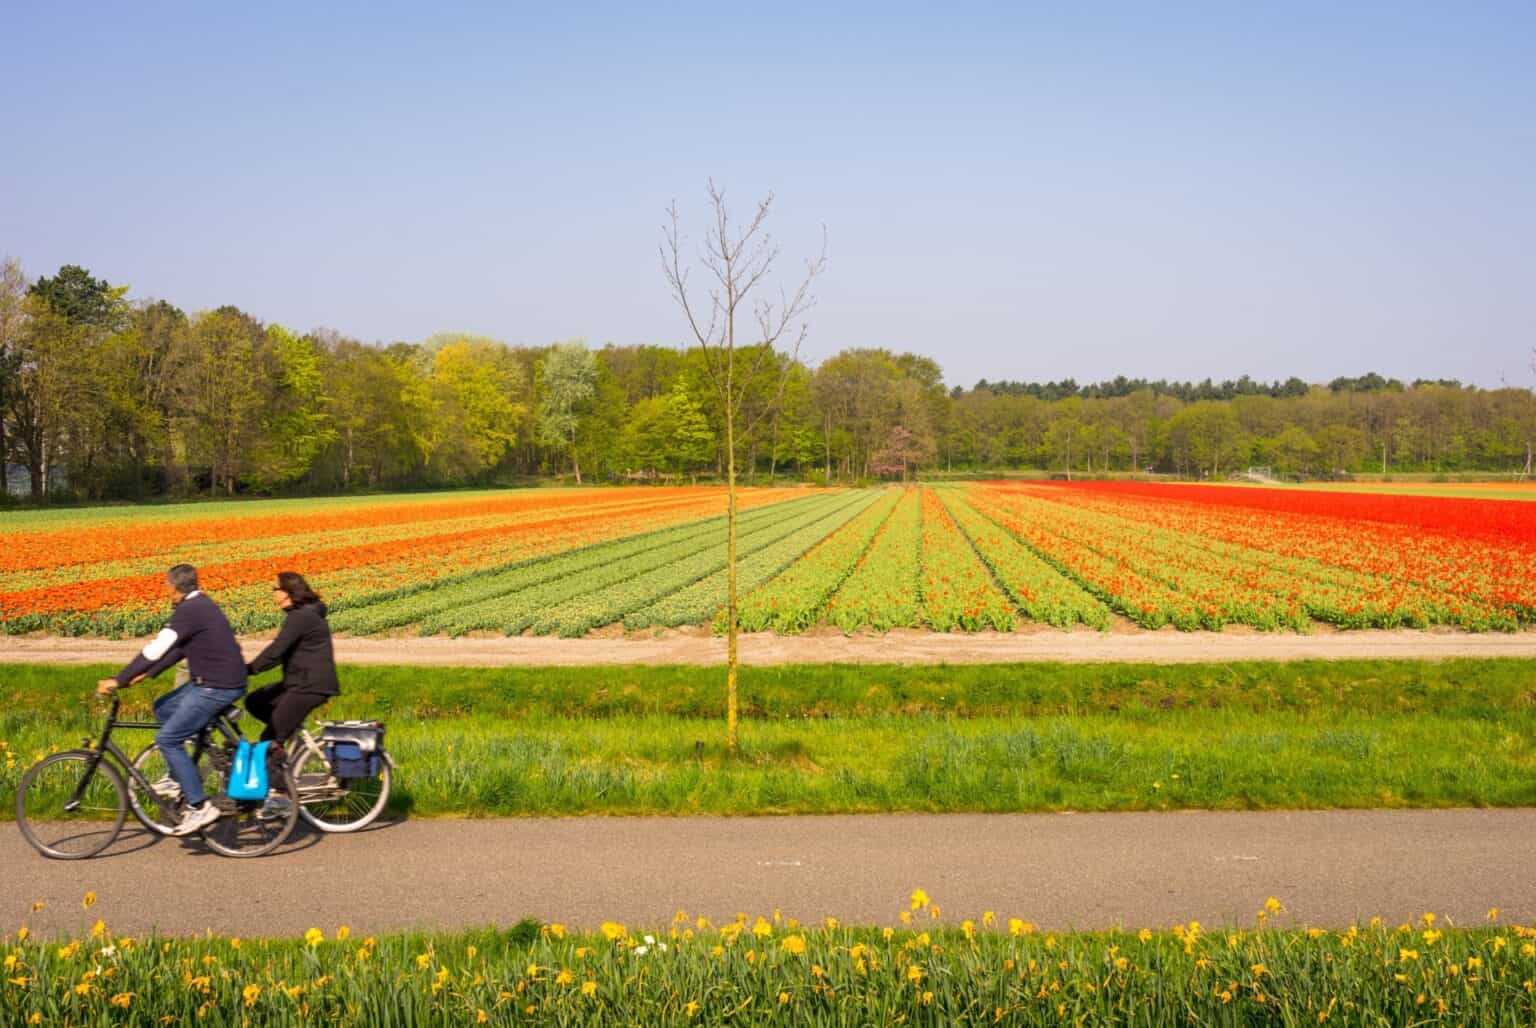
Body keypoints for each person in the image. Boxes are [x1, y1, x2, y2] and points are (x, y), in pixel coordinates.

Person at [96, 563, 247, 836]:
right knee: (163, 707)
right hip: (214, 681)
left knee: (167, 739)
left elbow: (156, 649)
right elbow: (179, 650)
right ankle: (177, 776)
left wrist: (118, 679)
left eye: (165, 585)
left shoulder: (188, 611)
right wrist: (146, 674)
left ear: (175, 587)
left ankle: (200, 807)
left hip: (217, 686)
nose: (164, 590)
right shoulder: (200, 605)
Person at [245, 571, 339, 745]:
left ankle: (277, 764)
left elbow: (276, 650)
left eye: (275, 588)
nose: (272, 592)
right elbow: (280, 654)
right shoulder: (301, 614)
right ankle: (291, 732)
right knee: (255, 701)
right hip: (299, 682)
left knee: (270, 737)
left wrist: (249, 669)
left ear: (287, 591)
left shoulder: (301, 617)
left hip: (309, 686)